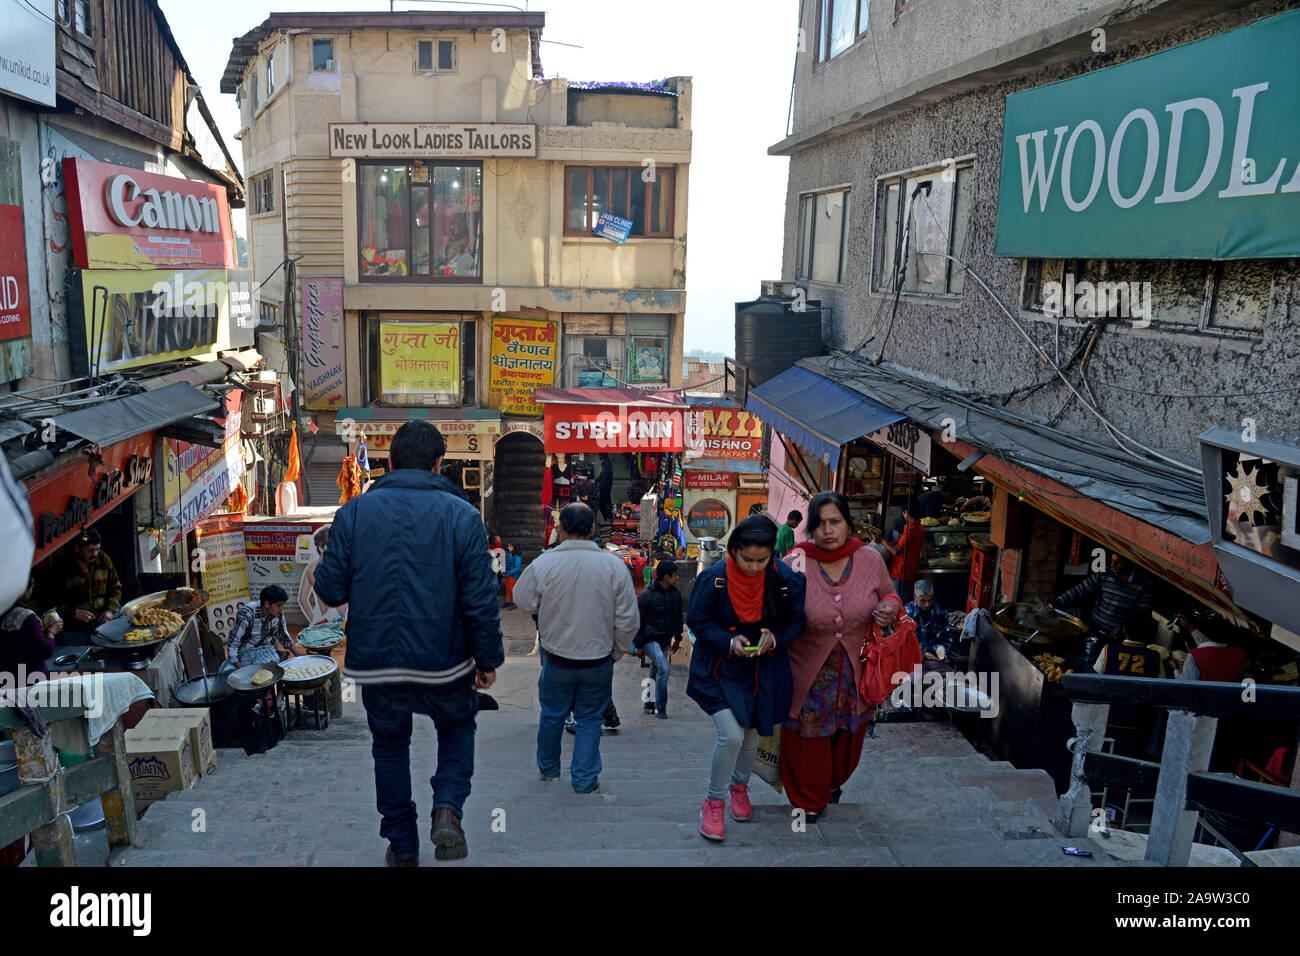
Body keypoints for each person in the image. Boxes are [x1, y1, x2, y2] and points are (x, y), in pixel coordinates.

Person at [314, 420, 504, 866]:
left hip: (376, 662)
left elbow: (330, 591)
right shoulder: (464, 517)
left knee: (390, 746)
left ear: (390, 462)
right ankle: (447, 810)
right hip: (446, 662)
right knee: (457, 726)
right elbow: (480, 600)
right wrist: (488, 659)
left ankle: (402, 847)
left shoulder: (354, 513)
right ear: (439, 464)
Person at [686, 514, 806, 841]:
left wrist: (775, 637)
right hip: (720, 669)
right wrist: (728, 640)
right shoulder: (714, 579)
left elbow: (797, 620)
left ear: (772, 555)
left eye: (761, 560)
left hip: (762, 671)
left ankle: (741, 786)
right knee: (732, 736)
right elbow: (697, 620)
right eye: (747, 559)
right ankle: (714, 802)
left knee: (753, 735)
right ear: (734, 551)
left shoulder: (783, 580)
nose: (754, 567)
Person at [782, 492, 896, 821]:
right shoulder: (795, 562)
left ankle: (831, 785)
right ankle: (809, 801)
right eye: (820, 524)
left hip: (853, 672)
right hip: (807, 674)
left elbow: (889, 595)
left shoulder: (870, 559)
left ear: (848, 523)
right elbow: (775, 607)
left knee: (847, 736)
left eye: (836, 522)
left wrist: (889, 608)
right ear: (810, 528)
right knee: (810, 738)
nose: (828, 531)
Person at [513, 502, 639, 795]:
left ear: (560, 529)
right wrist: (617, 651)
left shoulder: (545, 563)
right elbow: (629, 620)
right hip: (598, 660)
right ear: (593, 529)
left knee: (552, 715)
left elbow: (523, 600)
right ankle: (583, 780)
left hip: (557, 658)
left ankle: (548, 769)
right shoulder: (613, 566)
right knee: (590, 719)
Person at [1051, 553, 1153, 645]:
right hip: (1094, 629)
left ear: (1129, 563)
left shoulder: (1144, 584)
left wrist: (1121, 629)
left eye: (1118, 562)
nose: (1113, 565)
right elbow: (1080, 589)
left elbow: (1141, 615)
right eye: (1112, 561)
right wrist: (1054, 604)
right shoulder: (1105, 573)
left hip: (1118, 638)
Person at [49, 529, 121, 642]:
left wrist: (110, 610)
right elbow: (53, 601)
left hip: (103, 623)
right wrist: (74, 613)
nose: (95, 554)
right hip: (76, 631)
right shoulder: (62, 568)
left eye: (97, 549)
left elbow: (115, 587)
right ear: (77, 549)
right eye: (90, 550)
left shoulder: (103, 559)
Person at [634, 560, 683, 719]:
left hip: (665, 639)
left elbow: (677, 618)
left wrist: (678, 637)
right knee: (664, 668)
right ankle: (660, 707)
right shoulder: (646, 596)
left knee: (655, 670)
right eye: (675, 575)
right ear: (667, 577)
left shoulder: (675, 594)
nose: (678, 578)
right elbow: (637, 621)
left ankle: (648, 703)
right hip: (650, 639)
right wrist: (639, 644)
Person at [1, 577, 61, 681]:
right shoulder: (27, 617)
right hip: (30, 680)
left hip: (7, 679)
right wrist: (52, 632)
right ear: (25, 591)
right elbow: (45, 650)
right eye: (31, 588)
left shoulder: (3, 612)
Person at [226, 585, 294, 668]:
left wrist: (299, 655)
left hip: (266, 648)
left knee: (269, 668)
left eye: (283, 605)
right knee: (229, 673)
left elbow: (283, 635)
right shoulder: (246, 615)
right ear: (267, 604)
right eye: (279, 605)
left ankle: (277, 655)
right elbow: (233, 645)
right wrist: (241, 670)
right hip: (245, 650)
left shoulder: (278, 614)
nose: (281, 609)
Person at [1175, 615, 1247, 683]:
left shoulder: (1193, 656)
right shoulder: (1240, 653)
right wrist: (1191, 628)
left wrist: (1176, 668)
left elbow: (1185, 684)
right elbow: (1207, 644)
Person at [299, 525, 348, 626]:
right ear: (323, 548)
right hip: (335, 620)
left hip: (319, 619)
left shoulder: (310, 569)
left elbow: (302, 599)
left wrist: (313, 619)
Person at [883, 502, 923, 601]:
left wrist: (882, 540)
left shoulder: (911, 529)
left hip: (901, 570)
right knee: (903, 595)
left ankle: (901, 616)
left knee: (899, 598)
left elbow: (895, 551)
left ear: (906, 513)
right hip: (910, 569)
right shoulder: (919, 526)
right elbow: (907, 543)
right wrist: (895, 542)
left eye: (903, 513)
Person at [905, 579, 952, 663]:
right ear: (915, 596)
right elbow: (902, 644)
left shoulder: (941, 613)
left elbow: (946, 640)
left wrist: (942, 652)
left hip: (935, 658)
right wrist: (922, 653)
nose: (927, 604)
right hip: (912, 658)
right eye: (923, 601)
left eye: (930, 600)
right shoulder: (906, 614)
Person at [503, 543, 522, 610]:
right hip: (508, 575)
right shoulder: (509, 555)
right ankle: (508, 601)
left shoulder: (517, 557)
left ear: (515, 547)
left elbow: (518, 568)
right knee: (508, 588)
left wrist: (509, 573)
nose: (508, 548)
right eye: (508, 546)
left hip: (514, 576)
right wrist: (504, 571)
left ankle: (514, 602)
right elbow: (507, 564)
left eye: (510, 546)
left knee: (513, 589)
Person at [597, 454, 614, 522]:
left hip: (605, 487)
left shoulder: (607, 464)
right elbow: (602, 475)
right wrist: (597, 480)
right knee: (605, 502)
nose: (599, 456)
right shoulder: (605, 463)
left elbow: (605, 476)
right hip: (605, 486)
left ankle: (608, 518)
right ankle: (608, 518)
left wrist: (600, 486)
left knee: (603, 503)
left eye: (599, 455)